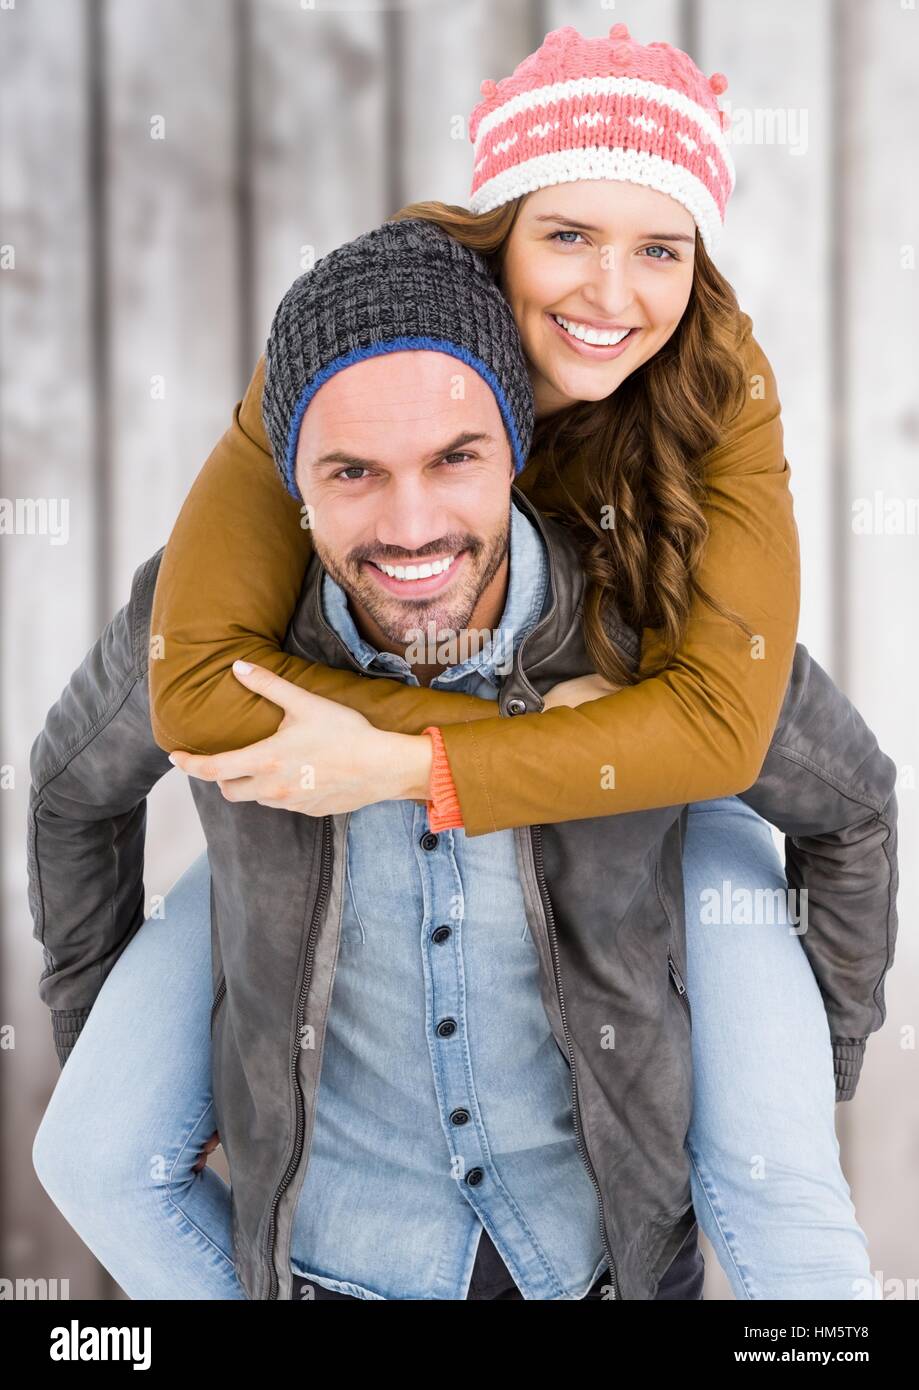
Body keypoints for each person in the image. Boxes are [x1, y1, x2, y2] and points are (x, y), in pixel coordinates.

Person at [30, 219, 897, 1301]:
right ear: (285, 478)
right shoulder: (212, 639)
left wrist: (819, 1060)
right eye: (351, 470)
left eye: (454, 458)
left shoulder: (647, 630)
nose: (410, 523)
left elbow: (850, 807)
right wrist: (116, 1043)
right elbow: (69, 795)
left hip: (599, 1270)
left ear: (518, 444)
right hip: (326, 1266)